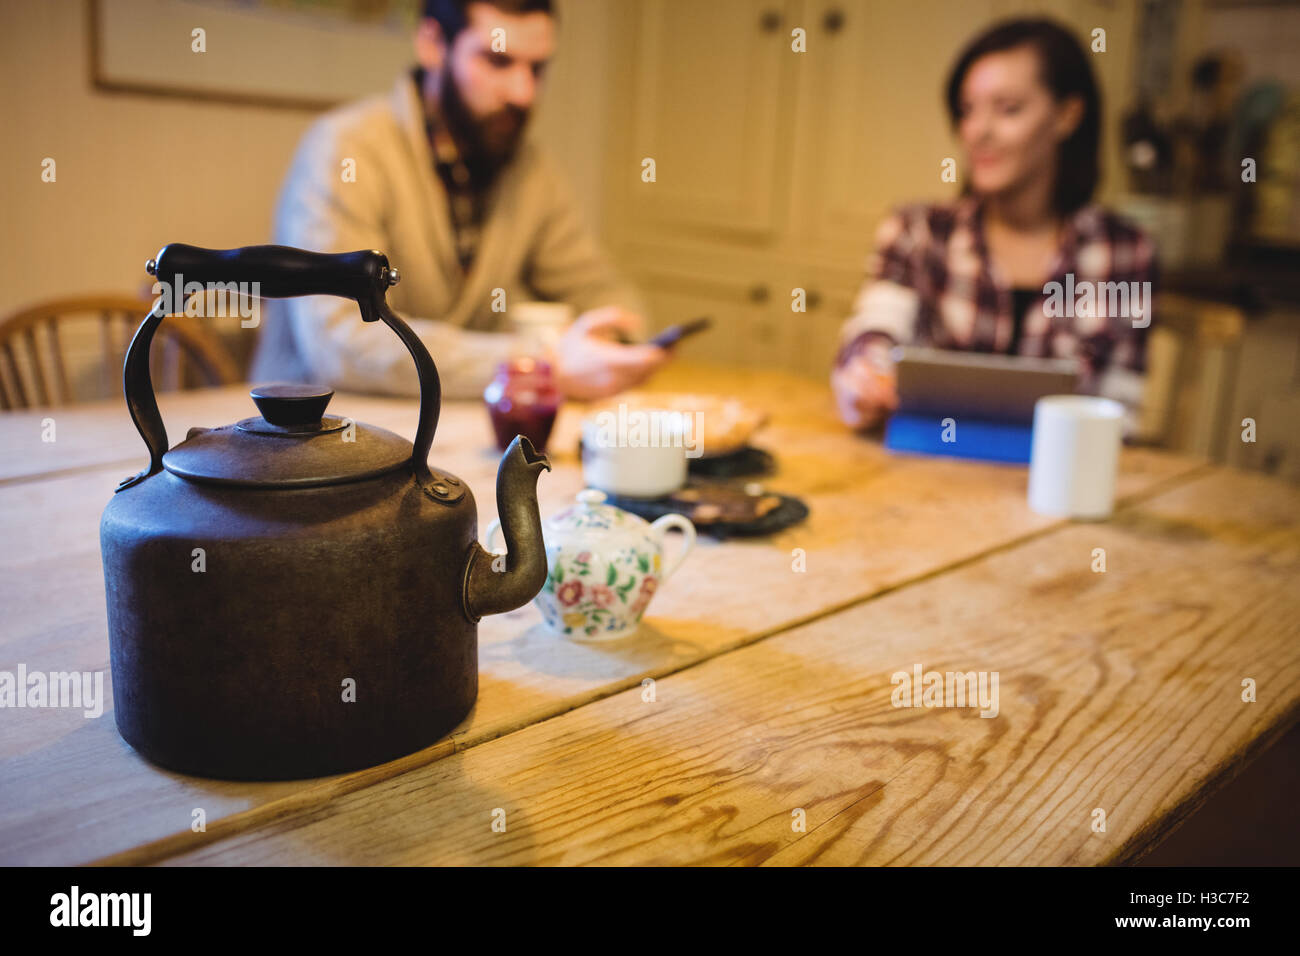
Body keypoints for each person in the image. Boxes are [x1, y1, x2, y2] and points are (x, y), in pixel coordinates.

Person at [251, 0, 666, 400]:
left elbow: (597, 288)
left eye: (537, 68)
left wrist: (615, 342)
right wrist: (542, 363)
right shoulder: (346, 149)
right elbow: (341, 344)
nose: (523, 93)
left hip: (443, 430)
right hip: (308, 447)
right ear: (432, 44)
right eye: (498, 61)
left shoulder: (530, 169)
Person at [832, 18, 1155, 432]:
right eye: (967, 110)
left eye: (1008, 109)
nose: (978, 132)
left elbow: (1119, 411)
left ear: (1067, 115)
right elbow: (876, 330)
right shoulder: (920, 231)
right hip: (925, 469)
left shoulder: (1124, 251)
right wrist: (864, 378)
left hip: (1060, 486)